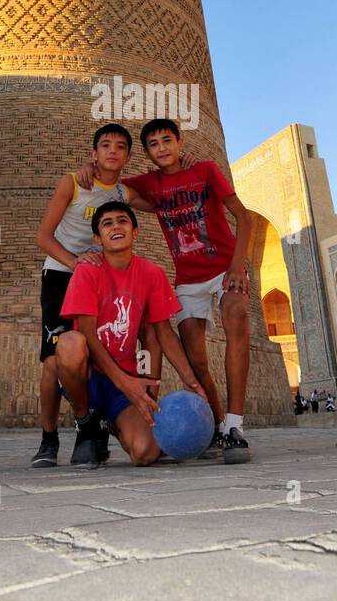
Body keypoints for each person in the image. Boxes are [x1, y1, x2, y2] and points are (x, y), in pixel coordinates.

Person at [77, 117, 254, 463]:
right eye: (154, 144)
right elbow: (111, 185)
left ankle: (235, 425)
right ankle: (217, 425)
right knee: (196, 358)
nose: (162, 148)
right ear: (147, 153)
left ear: (180, 144)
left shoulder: (205, 170)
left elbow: (243, 217)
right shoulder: (150, 184)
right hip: (188, 278)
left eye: (167, 141)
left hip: (224, 269)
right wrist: (91, 167)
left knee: (236, 312)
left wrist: (237, 265)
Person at [31, 123, 159, 468]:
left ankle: (103, 422)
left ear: (128, 157)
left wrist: (178, 168)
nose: (112, 151)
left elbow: (161, 199)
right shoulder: (73, 183)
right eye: (105, 145)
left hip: (98, 282)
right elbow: (43, 236)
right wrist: (74, 262)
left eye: (120, 146)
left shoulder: (123, 193)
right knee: (54, 361)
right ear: (94, 153)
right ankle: (49, 439)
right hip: (61, 274)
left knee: (95, 347)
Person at [55, 202, 208, 469]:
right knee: (70, 343)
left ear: (135, 231)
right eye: (107, 223)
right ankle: (87, 424)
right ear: (97, 238)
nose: (116, 226)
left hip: (124, 384)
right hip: (89, 377)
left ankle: (113, 423)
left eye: (122, 221)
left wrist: (190, 379)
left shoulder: (151, 273)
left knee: (146, 453)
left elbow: (163, 334)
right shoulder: (87, 270)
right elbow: (89, 335)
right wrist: (125, 381)